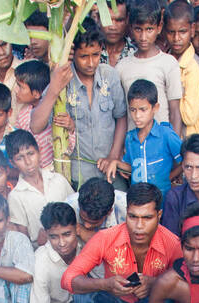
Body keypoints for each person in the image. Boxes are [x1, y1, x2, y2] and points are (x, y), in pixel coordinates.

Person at [62, 181, 182, 303]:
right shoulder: (105, 237)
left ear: (159, 215)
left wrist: (155, 284)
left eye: (147, 218)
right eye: (132, 217)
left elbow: (188, 288)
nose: (139, 226)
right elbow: (68, 279)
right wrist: (105, 284)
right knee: (82, 297)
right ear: (126, 212)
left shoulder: (172, 243)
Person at [38, 23, 128, 188]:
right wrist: (54, 88)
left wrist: (113, 156)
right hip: (77, 175)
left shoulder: (110, 75)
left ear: (102, 48)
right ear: (72, 54)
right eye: (83, 56)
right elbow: (36, 125)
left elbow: (121, 117)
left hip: (110, 172)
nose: (91, 63)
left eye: (95, 54)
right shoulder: (63, 79)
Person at [29, 202, 103, 303]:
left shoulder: (88, 247)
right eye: (54, 237)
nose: (61, 243)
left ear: (77, 229)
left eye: (67, 234)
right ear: (46, 234)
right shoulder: (41, 261)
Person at [118, 0, 187, 135]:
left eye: (149, 29)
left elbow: (174, 112)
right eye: (138, 29)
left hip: (162, 147)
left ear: (159, 27)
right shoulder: (121, 67)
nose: (143, 37)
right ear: (131, 28)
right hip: (133, 148)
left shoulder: (168, 63)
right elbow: (122, 116)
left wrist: (174, 148)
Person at [6, 129, 74, 242]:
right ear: (12, 163)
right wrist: (39, 242)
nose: (28, 162)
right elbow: (23, 240)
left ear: (39, 151)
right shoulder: (15, 197)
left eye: (31, 154)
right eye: (20, 158)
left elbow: (75, 211)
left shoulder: (58, 180)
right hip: (42, 251)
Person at [119, 79, 185, 196]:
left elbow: (185, 160)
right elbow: (133, 167)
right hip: (138, 199)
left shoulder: (166, 134)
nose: (137, 116)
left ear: (155, 108)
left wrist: (168, 178)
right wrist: (115, 164)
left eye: (143, 110)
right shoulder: (130, 138)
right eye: (133, 110)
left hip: (163, 197)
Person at [161, 134, 199, 233]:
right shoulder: (175, 198)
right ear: (182, 166)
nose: (193, 176)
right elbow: (171, 242)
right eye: (188, 167)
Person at [166, 1, 199, 134]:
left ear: (192, 29)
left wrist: (169, 93)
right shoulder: (165, 59)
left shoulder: (193, 66)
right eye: (171, 32)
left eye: (182, 32)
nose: (176, 38)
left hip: (189, 140)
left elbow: (189, 117)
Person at [12, 59, 58, 170]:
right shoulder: (22, 116)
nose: (15, 90)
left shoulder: (55, 112)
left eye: (20, 86)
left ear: (37, 93)